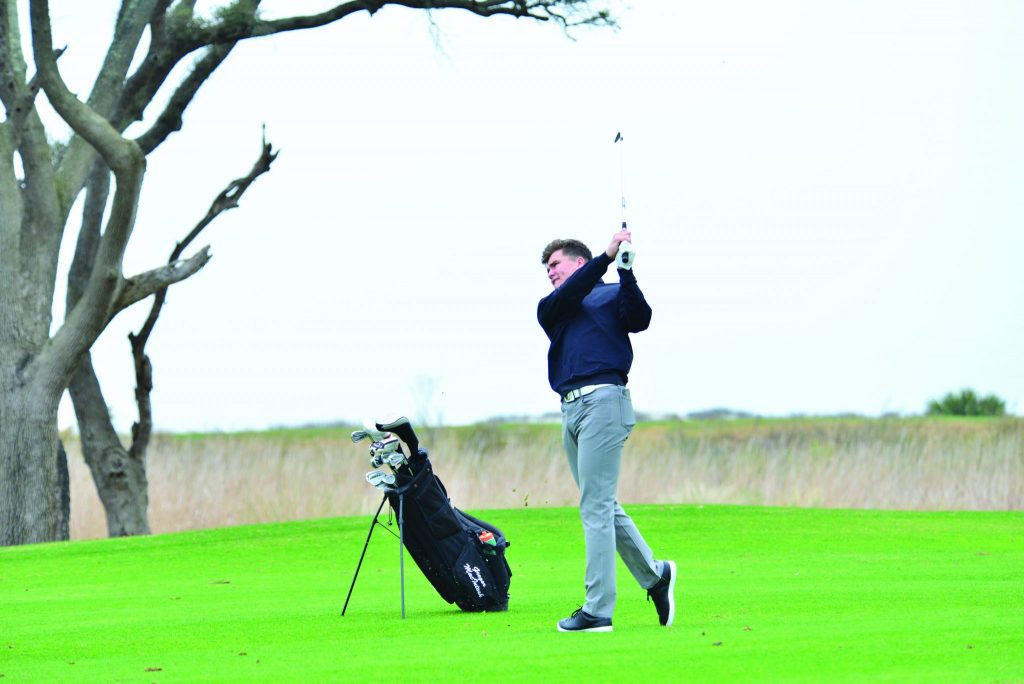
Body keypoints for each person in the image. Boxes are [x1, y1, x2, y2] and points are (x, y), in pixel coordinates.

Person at [537, 227, 675, 633]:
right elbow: (565, 296)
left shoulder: (612, 292)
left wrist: (626, 272)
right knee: (602, 504)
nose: (550, 273)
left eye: (555, 264)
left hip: (604, 401)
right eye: (546, 268)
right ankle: (656, 575)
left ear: (578, 263)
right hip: (570, 410)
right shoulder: (553, 306)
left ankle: (598, 610)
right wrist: (606, 255)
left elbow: (640, 319)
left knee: (594, 507)